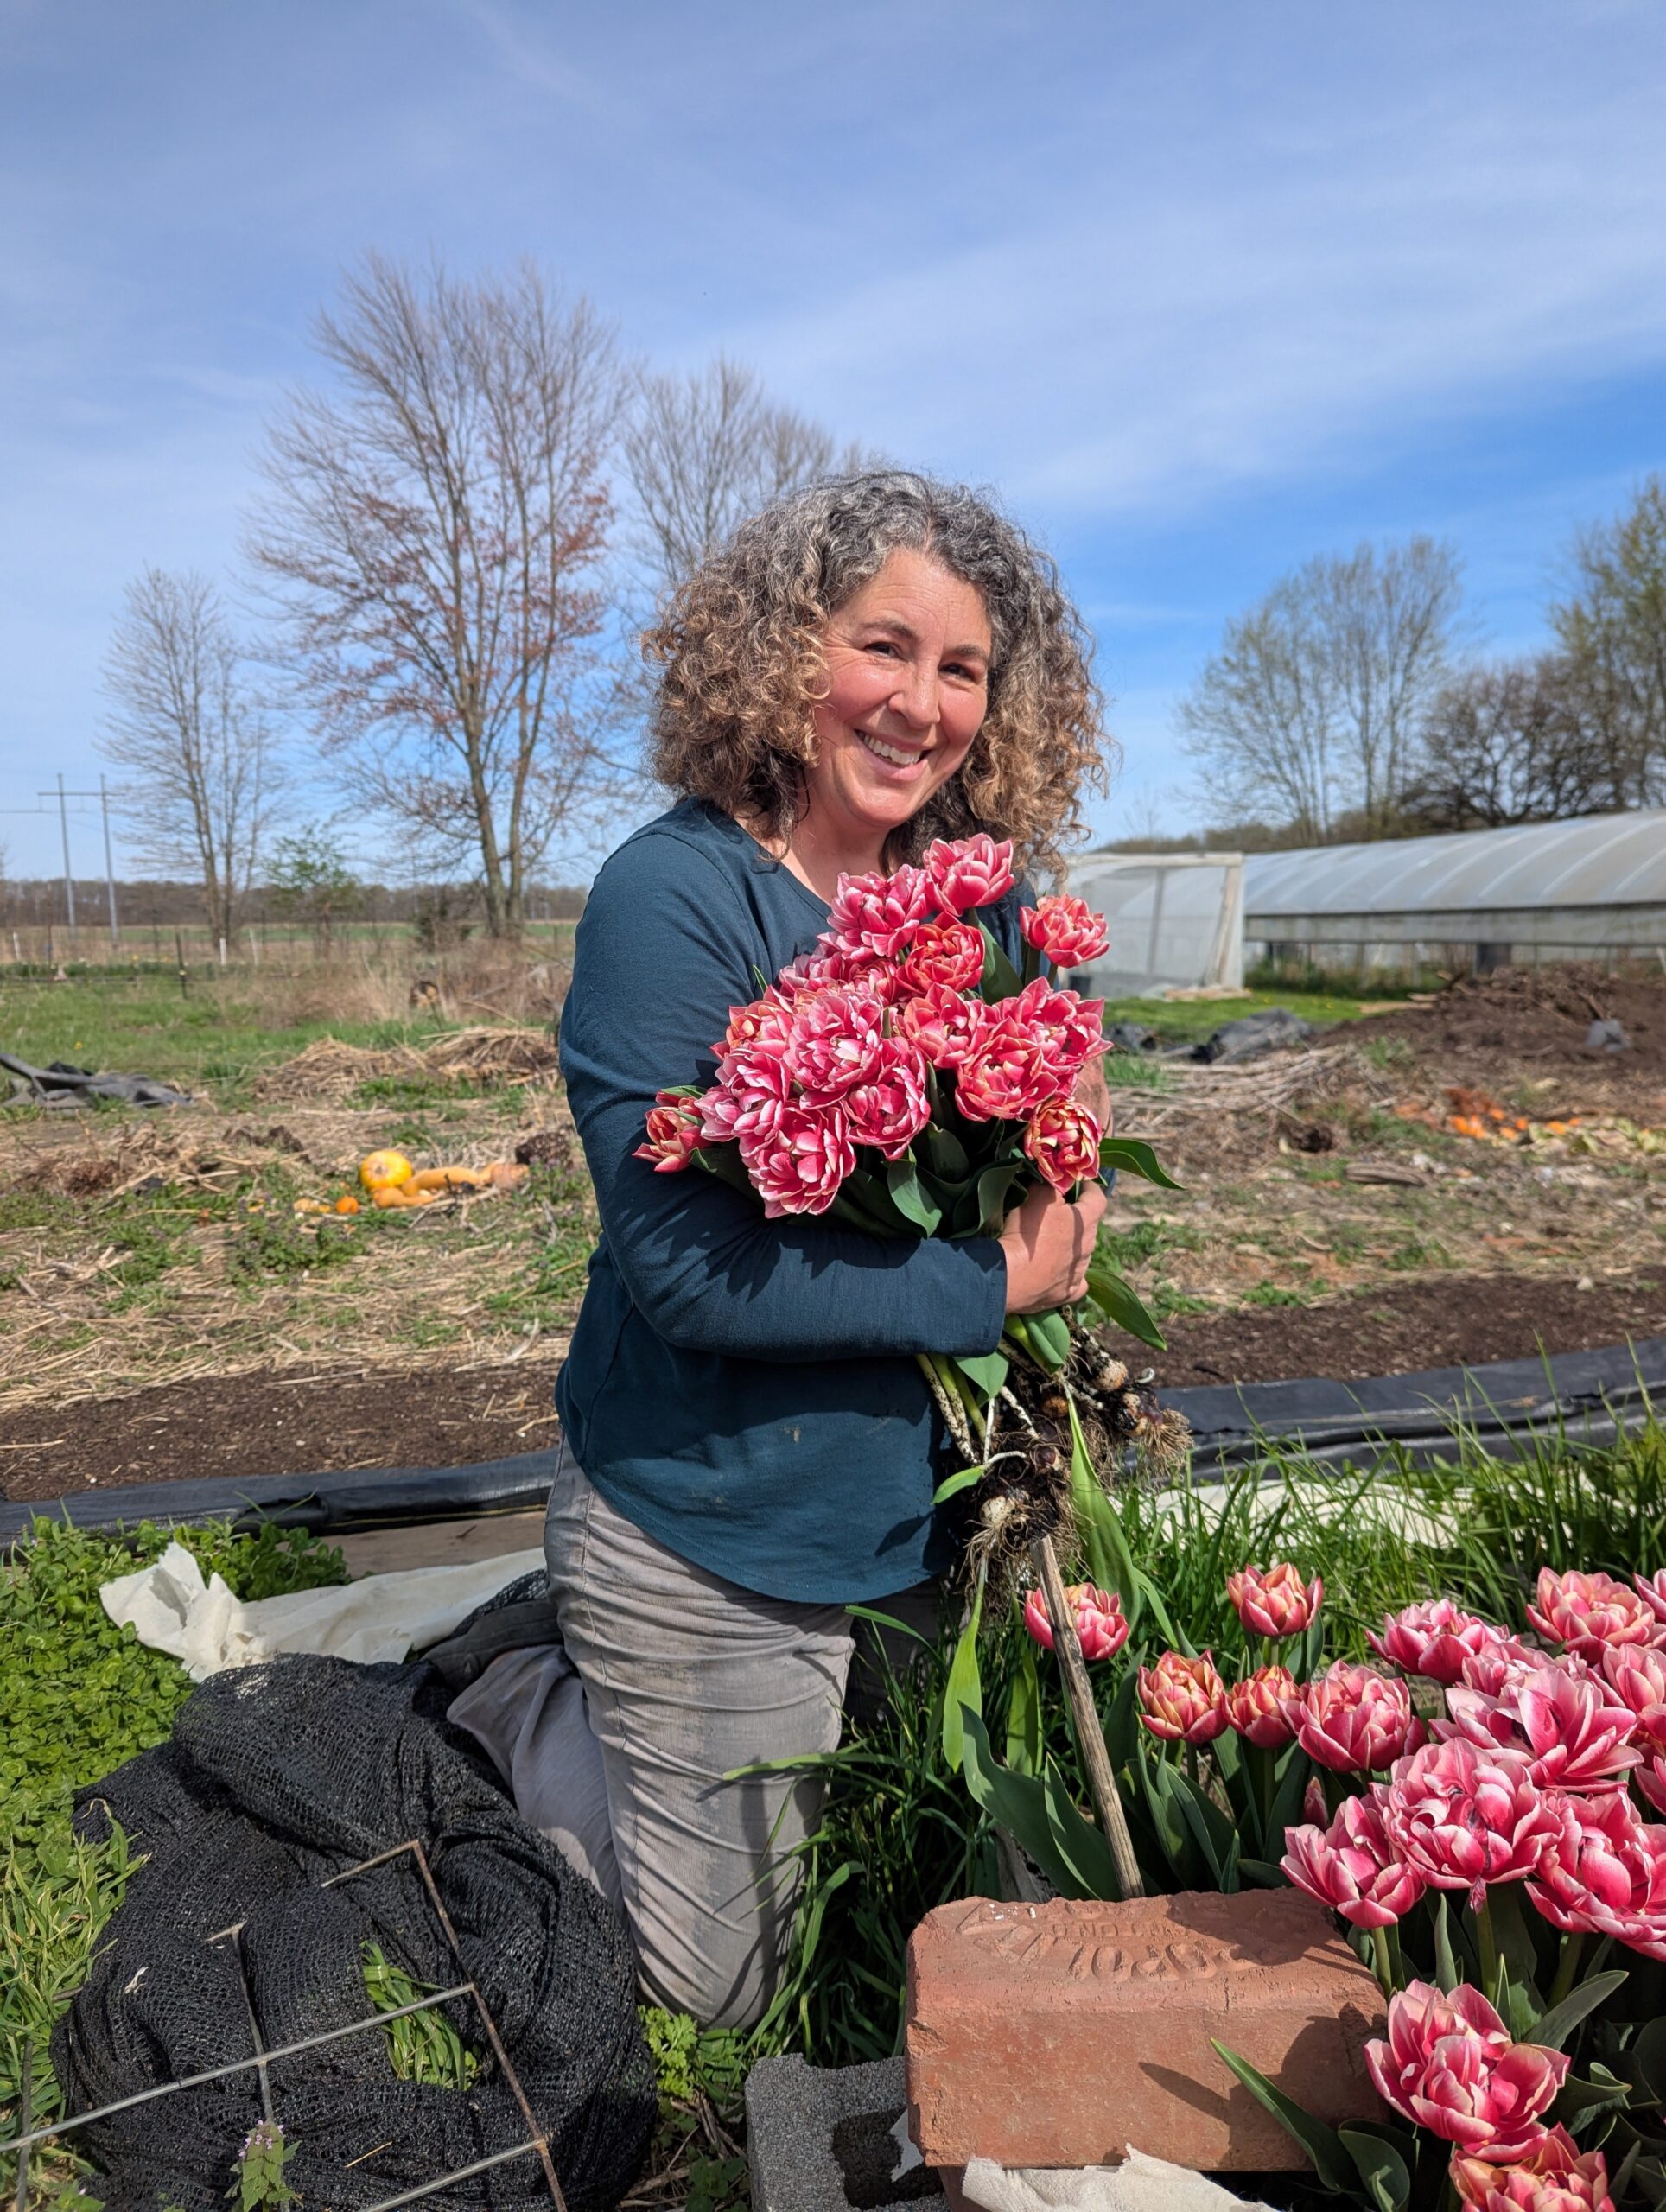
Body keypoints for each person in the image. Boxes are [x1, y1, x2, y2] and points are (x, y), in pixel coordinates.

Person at [450, 470, 1110, 2029]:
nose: (920, 706)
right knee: (722, 1996)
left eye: (962, 672)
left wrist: (1073, 1150)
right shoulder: (672, 897)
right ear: (788, 652)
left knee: (936, 1875)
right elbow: (681, 1270)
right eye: (886, 649)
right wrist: (985, 1285)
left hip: (922, 1511)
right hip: (713, 1525)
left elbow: (1064, 1123)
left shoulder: (980, 893)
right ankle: (529, 1702)